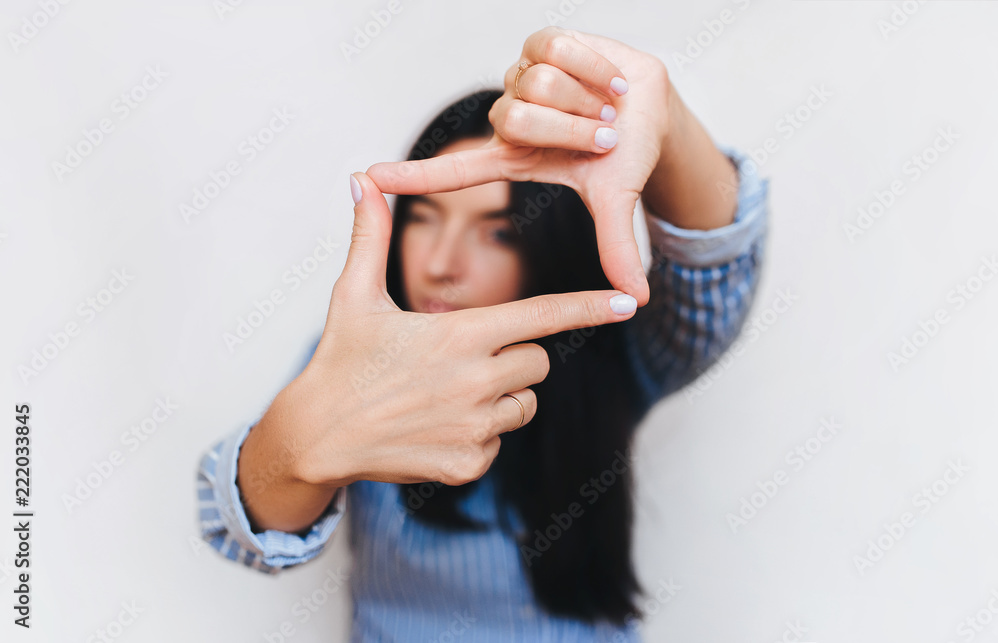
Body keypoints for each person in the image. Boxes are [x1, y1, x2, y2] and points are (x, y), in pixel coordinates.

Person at [196, 27, 769, 641]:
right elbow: (236, 527)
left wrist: (667, 119)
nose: (443, 262)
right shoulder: (359, 364)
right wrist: (297, 450)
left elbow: (717, 278)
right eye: (425, 218)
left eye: (495, 231)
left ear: (547, 245)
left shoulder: (615, 355)